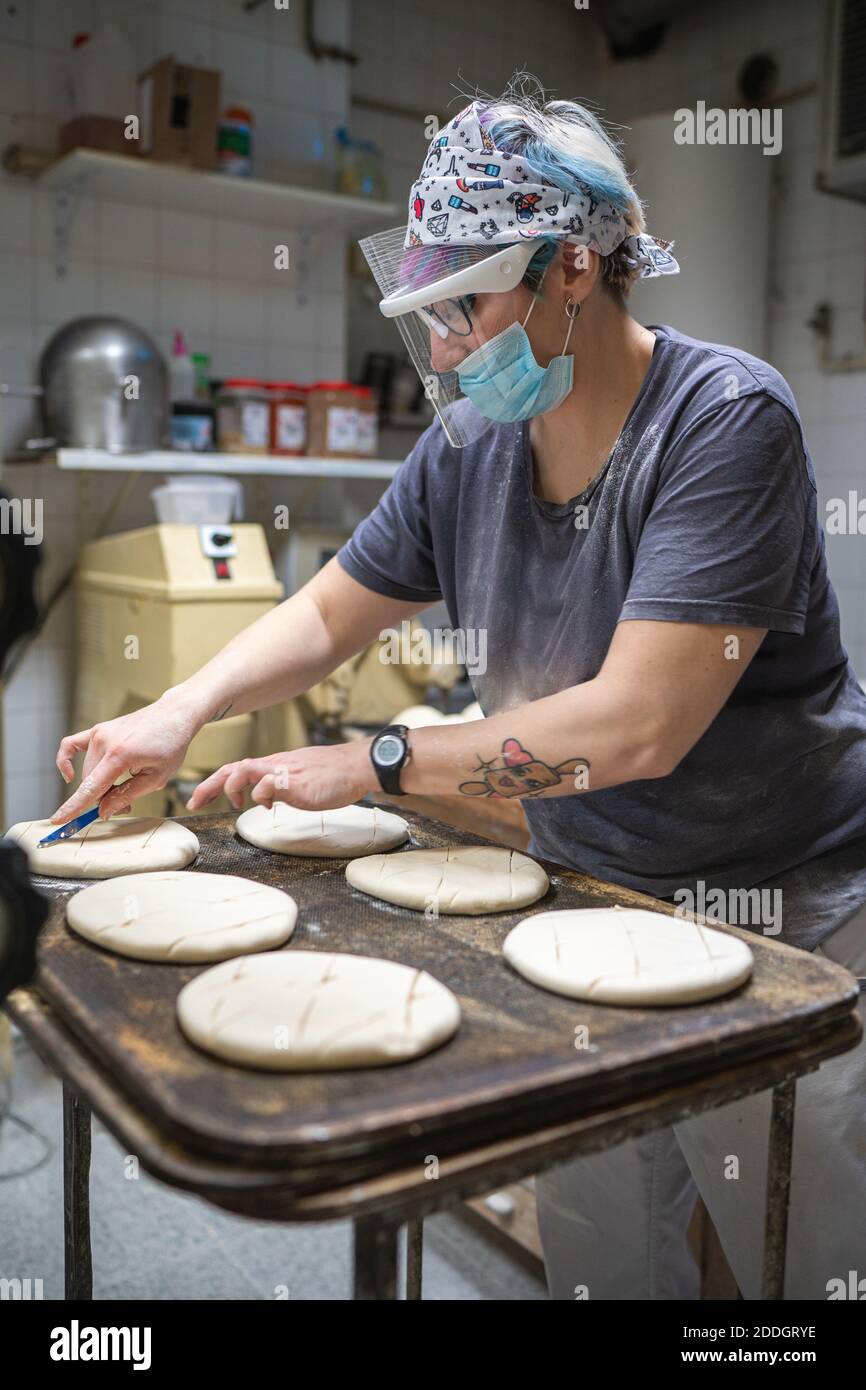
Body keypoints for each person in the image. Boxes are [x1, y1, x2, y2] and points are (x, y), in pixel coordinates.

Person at [51, 78, 866, 1300]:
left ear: (574, 266)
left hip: (778, 915)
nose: (444, 353)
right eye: (427, 318)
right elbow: (331, 608)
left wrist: (377, 760)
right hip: (590, 900)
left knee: (794, 1266)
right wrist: (179, 710)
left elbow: (641, 721)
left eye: (466, 308)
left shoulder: (722, 419)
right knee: (601, 1259)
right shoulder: (470, 443)